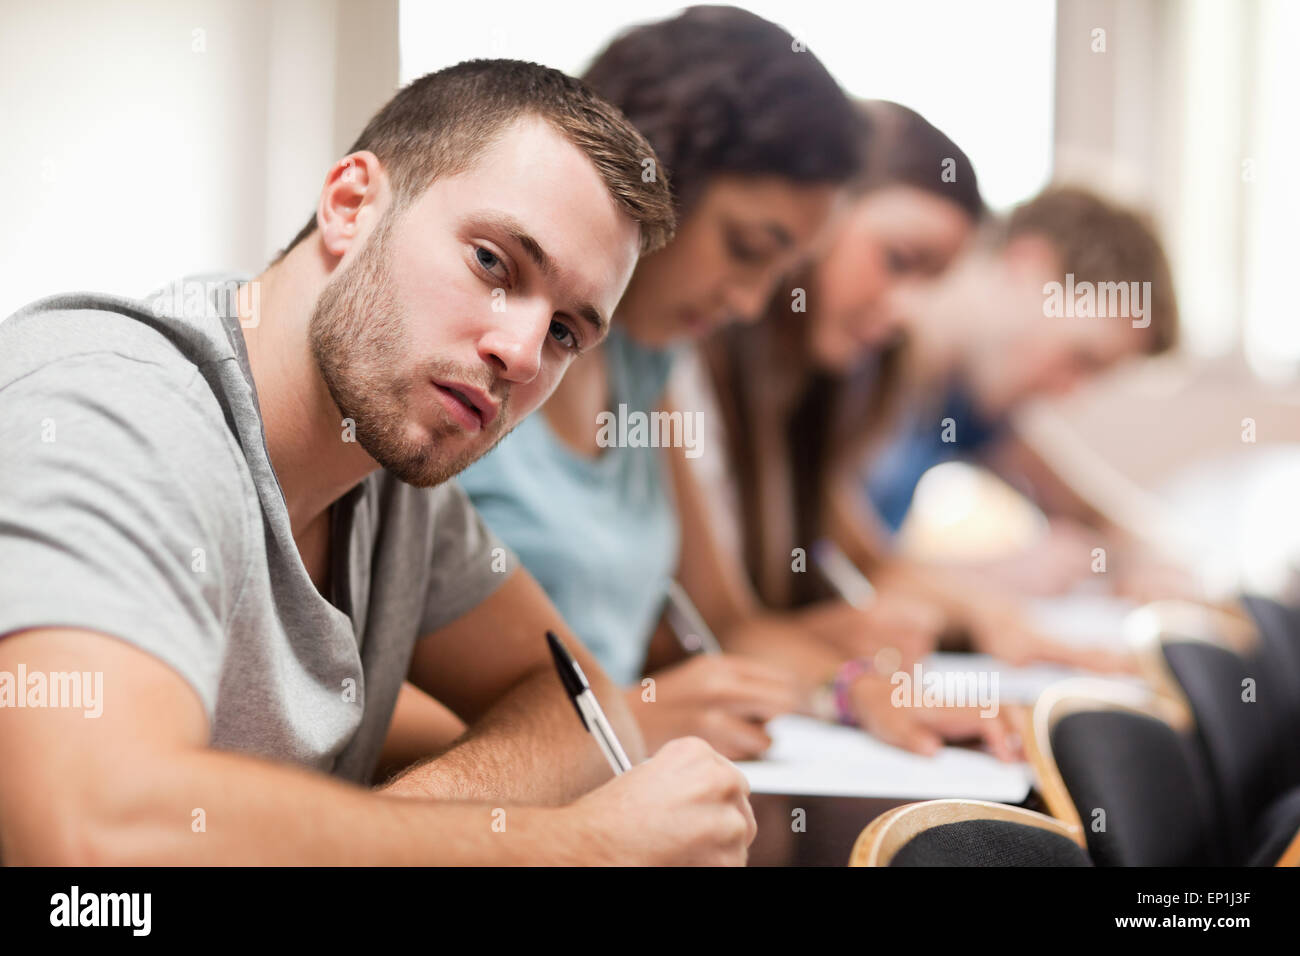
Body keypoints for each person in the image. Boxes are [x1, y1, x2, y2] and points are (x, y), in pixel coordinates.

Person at [0, 59, 757, 866]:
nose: (522, 354)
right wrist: (578, 845)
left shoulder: (389, 460)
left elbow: (578, 705)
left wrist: (396, 837)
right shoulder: (114, 407)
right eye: (493, 263)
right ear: (351, 204)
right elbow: (94, 833)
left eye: (567, 330)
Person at [673, 101, 1020, 755]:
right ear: (818, 218)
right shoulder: (682, 371)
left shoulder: (801, 397)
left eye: (932, 280)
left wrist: (989, 620)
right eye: (898, 259)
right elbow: (721, 624)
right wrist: (850, 680)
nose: (910, 309)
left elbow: (867, 564)